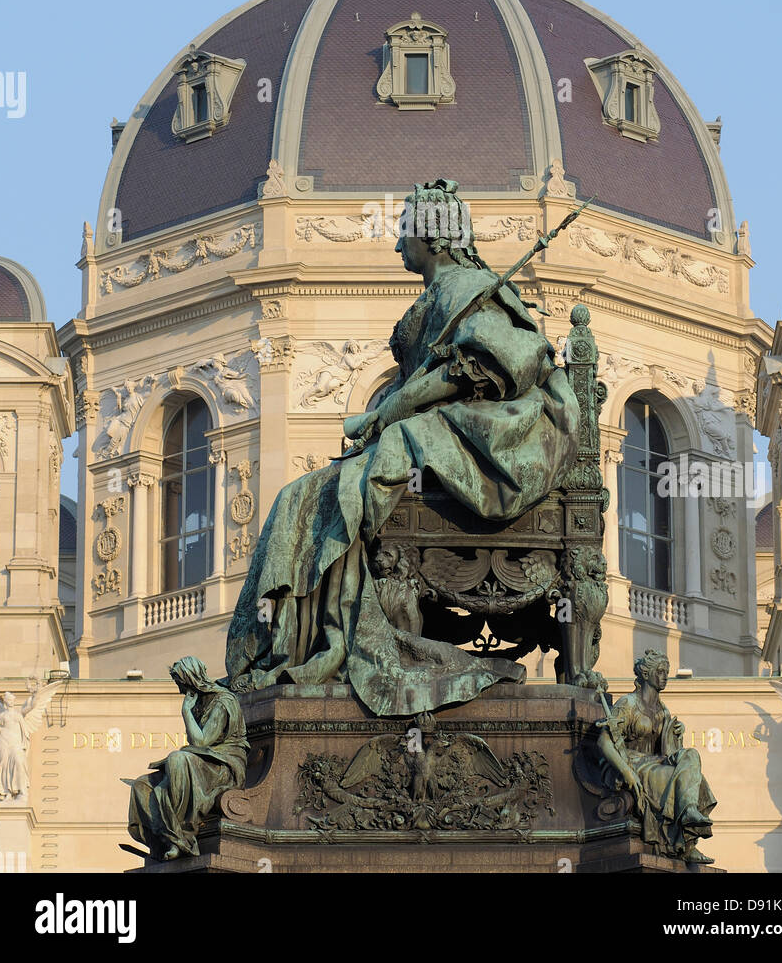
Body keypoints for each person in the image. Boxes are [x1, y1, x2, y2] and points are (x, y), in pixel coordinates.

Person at [225, 178, 580, 716]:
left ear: (433, 237)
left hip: (494, 444)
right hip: (445, 439)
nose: (397, 247)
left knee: (353, 475)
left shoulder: (468, 290)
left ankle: (317, 641)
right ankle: (291, 643)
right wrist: (389, 410)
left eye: (405, 234)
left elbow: (485, 365)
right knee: (301, 495)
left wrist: (388, 410)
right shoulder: (445, 294)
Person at [597, 648, 716, 863]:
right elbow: (604, 741)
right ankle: (684, 843)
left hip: (654, 762)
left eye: (667, 672)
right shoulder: (628, 704)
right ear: (645, 674)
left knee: (691, 756)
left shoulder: (663, 710)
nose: (665, 676)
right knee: (677, 779)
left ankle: (688, 821)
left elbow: (667, 752)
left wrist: (675, 735)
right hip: (632, 764)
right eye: (660, 671)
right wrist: (627, 773)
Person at [127, 657, 248, 859]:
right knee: (141, 785)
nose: (179, 690)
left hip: (224, 766)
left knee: (177, 759)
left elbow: (200, 742)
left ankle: (183, 836)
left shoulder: (223, 701)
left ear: (191, 680)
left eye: (180, 684)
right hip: (203, 763)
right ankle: (165, 840)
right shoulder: (199, 702)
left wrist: (186, 712)